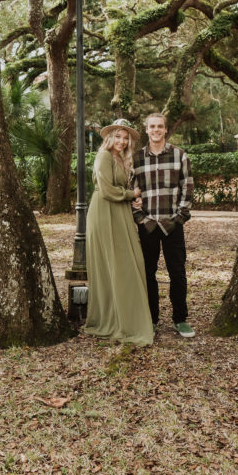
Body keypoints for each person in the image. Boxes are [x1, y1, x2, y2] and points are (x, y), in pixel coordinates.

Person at [85, 119, 154, 347]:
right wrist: (131, 195)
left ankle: (128, 316)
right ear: (109, 137)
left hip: (120, 213)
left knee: (128, 262)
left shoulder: (123, 159)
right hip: (104, 212)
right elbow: (106, 190)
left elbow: (125, 189)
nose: (122, 141)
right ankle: (112, 319)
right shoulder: (103, 155)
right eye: (118, 136)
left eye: (126, 138)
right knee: (112, 263)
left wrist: (133, 198)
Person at [132, 112, 195, 337]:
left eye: (160, 126)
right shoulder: (136, 158)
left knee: (177, 272)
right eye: (152, 127)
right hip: (147, 225)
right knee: (147, 273)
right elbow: (130, 191)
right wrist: (140, 218)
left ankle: (180, 319)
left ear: (165, 129)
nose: (156, 130)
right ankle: (151, 320)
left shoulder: (179, 155)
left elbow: (188, 187)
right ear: (146, 130)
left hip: (172, 224)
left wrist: (179, 218)